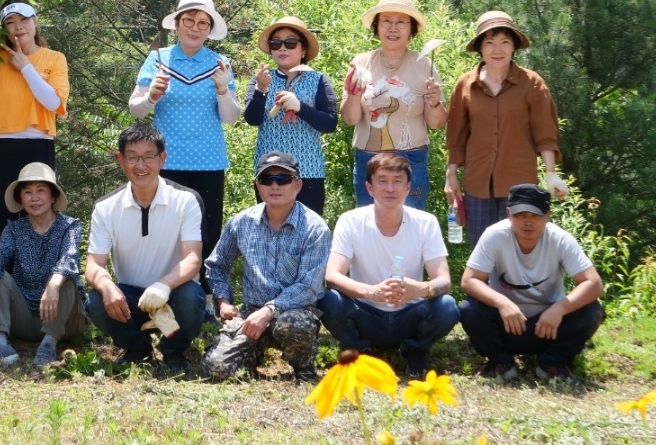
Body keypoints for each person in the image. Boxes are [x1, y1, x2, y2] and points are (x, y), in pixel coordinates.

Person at [128, 0, 239, 313]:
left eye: (202, 22)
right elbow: (136, 110)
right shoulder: (158, 59)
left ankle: (205, 299)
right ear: (177, 24)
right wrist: (151, 96)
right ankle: (163, 297)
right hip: (165, 162)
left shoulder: (220, 64)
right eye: (188, 20)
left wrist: (221, 88)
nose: (195, 27)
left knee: (208, 232)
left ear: (209, 28)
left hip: (209, 161)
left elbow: (231, 117)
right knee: (165, 230)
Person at [318, 152, 459, 378]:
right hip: (365, 311)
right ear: (369, 187)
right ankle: (358, 349)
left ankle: (415, 351)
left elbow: (444, 281)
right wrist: (370, 292)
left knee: (447, 306)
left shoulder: (426, 223)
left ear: (408, 187)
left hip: (409, 312)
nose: (390, 188)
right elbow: (332, 275)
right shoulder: (350, 221)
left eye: (397, 181)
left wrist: (419, 289)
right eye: (382, 181)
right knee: (329, 300)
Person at [201, 152, 331, 382]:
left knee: (293, 324)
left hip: (295, 312)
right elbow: (216, 265)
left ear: (298, 185)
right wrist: (223, 301)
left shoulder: (315, 228)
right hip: (251, 312)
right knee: (215, 369)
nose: (275, 185)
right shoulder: (241, 223)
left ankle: (304, 369)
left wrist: (269, 310)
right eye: (266, 179)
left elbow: (308, 287)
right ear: (258, 187)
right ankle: (251, 356)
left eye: (283, 179)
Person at [85, 123, 206, 371]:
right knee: (96, 300)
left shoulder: (185, 200)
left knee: (192, 297)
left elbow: (193, 258)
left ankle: (173, 351)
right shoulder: (106, 207)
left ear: (162, 158)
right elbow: (93, 264)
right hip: (129, 298)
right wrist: (107, 286)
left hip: (172, 293)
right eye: (132, 158)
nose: (141, 166)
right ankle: (138, 350)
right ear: (121, 160)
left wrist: (164, 285)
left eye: (148, 157)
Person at [444, 10, 567, 248]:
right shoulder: (465, 85)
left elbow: (546, 134)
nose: (497, 50)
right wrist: (451, 176)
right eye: (489, 43)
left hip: (520, 183)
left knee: (520, 249)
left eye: (504, 42)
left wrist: (551, 174)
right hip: (477, 182)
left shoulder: (532, 83)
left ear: (514, 47)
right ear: (480, 48)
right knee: (481, 251)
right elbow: (456, 136)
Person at [459, 184, 605, 382]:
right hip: (505, 323)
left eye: (535, 216)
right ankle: (500, 362)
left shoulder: (560, 239)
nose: (528, 222)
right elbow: (469, 280)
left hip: (549, 326)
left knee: (592, 310)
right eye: (520, 215)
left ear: (548, 215)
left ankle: (553, 361)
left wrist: (559, 309)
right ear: (508, 213)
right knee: (469, 308)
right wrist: (502, 303)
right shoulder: (494, 235)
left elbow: (594, 284)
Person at [0, 0, 69, 253]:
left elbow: (52, 102)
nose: (18, 27)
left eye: (23, 19)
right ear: (3, 28)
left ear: (35, 22)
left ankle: (39, 286)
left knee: (39, 216)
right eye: (10, 22)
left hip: (38, 146)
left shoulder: (54, 58)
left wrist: (26, 68)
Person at [341, 0, 447, 210]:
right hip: (368, 160)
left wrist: (435, 102)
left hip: (411, 160)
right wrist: (353, 93)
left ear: (411, 29)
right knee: (368, 226)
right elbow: (350, 119)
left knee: (411, 224)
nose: (393, 28)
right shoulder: (361, 63)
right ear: (376, 26)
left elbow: (436, 123)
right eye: (386, 21)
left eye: (401, 22)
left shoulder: (424, 65)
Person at [0, 163, 88, 367]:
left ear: (53, 196)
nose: (34, 197)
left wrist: (53, 287)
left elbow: (69, 259)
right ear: (20, 199)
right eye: (27, 192)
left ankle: (49, 345)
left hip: (65, 320)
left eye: (41, 190)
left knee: (65, 278)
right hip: (26, 318)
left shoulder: (70, 226)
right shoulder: (14, 229)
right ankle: (0, 344)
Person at [244, 16, 337, 215]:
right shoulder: (261, 79)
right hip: (269, 171)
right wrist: (261, 90)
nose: (282, 48)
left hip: (308, 171)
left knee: (307, 231)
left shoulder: (318, 79)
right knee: (269, 230)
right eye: (276, 43)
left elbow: (330, 123)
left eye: (291, 42)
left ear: (303, 50)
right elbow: (252, 119)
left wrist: (300, 107)